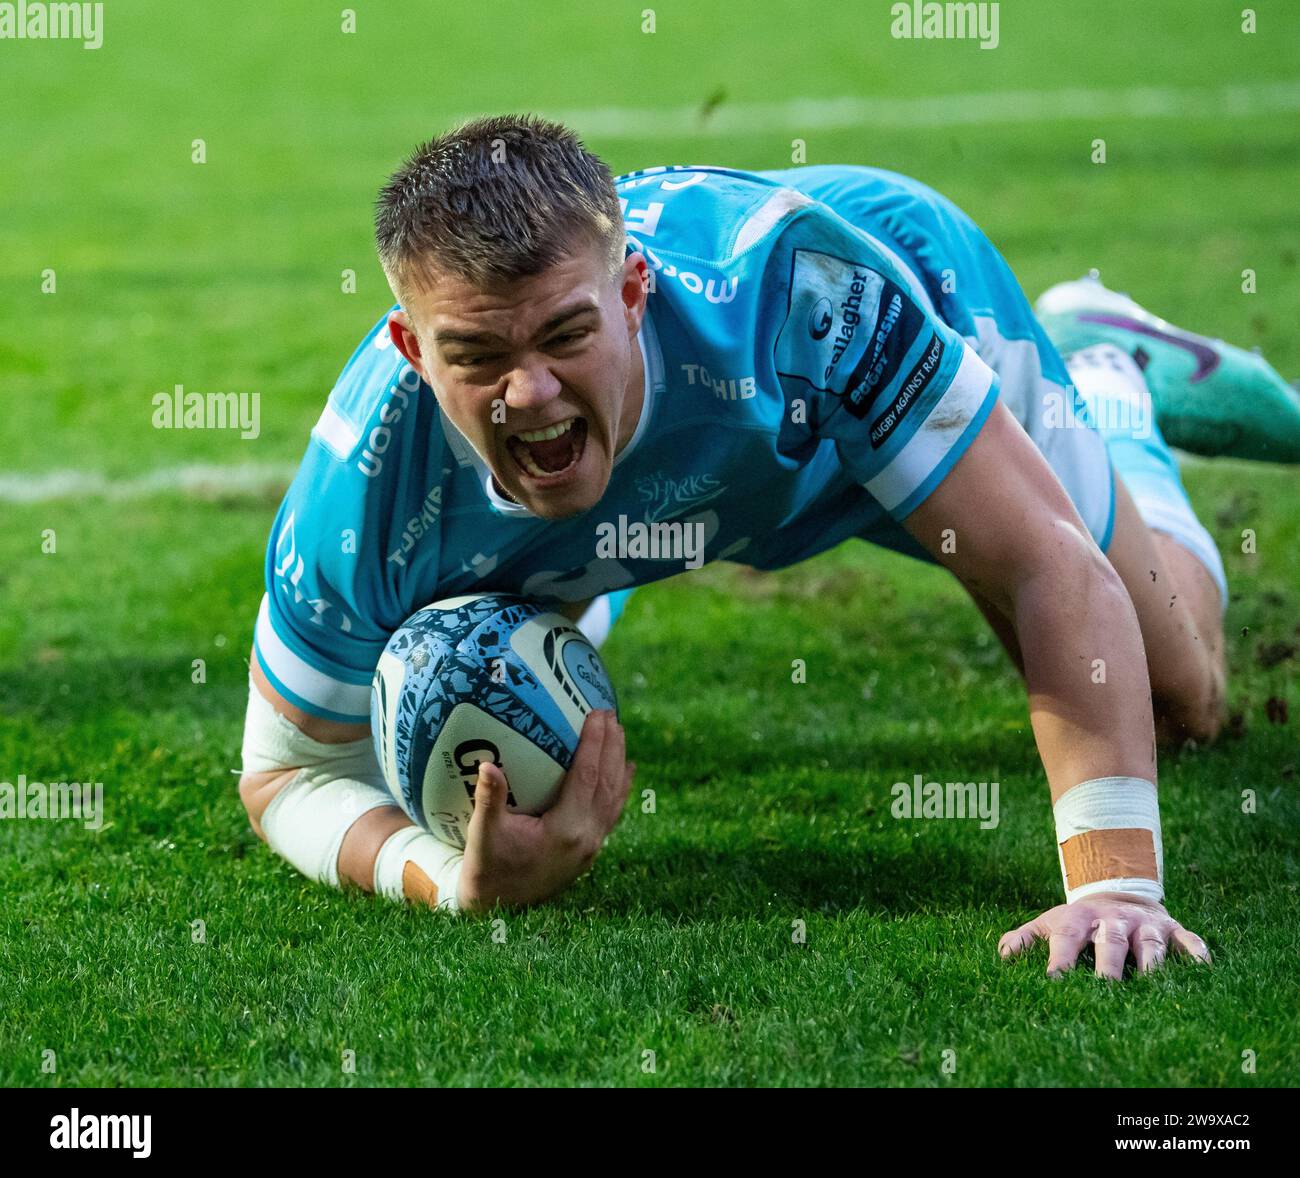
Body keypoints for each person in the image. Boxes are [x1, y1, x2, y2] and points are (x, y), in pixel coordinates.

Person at [238, 114, 1300, 979]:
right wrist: (445, 874)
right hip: (707, 477)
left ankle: (1108, 372)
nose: (529, 389)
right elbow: (285, 776)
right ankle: (572, 589)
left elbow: (1043, 560)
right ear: (412, 349)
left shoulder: (802, 289)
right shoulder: (364, 484)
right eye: (476, 354)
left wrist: (1114, 884)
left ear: (633, 292)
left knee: (1181, 697)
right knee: (537, 502)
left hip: (903, 351)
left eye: (566, 334)